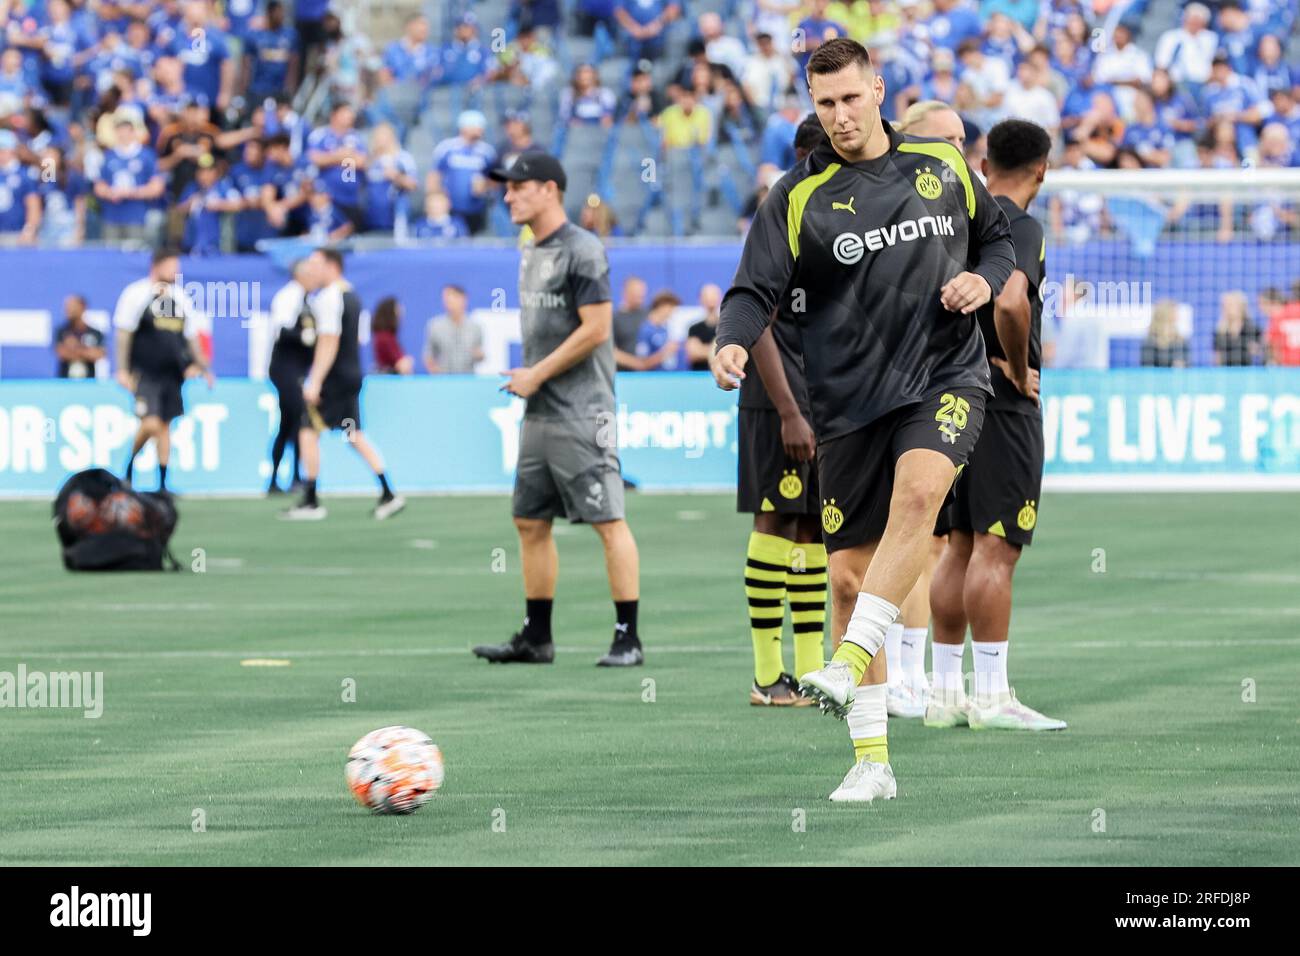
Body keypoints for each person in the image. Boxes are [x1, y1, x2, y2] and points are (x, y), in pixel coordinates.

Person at [711, 38, 1015, 802]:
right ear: (811, 109)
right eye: (825, 104)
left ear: (878, 89)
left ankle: (845, 664)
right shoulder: (795, 199)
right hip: (846, 402)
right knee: (848, 575)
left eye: (851, 98)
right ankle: (872, 761)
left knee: (921, 499)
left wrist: (983, 279)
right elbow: (752, 291)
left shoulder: (942, 167)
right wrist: (729, 343)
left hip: (945, 378)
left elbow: (1000, 237)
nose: (841, 116)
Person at [473, 151, 644, 667]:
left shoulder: (583, 249)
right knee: (529, 520)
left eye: (517, 187)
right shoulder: (530, 248)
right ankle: (537, 636)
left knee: (608, 519)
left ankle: (627, 637)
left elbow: (596, 330)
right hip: (541, 411)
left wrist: (535, 375)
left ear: (549, 189)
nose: (508, 196)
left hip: (581, 409)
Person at [928, 119, 1066, 733]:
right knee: (995, 546)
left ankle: (942, 693)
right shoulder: (1022, 224)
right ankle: (991, 698)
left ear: (983, 165)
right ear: (1043, 167)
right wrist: (1014, 362)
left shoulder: (961, 223)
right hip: (1003, 406)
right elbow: (1011, 299)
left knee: (956, 544)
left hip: (951, 399)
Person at [736, 113, 827, 707]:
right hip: (778, 402)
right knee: (775, 521)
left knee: (815, 525)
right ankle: (768, 676)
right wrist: (791, 411)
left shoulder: (834, 211)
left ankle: (814, 670)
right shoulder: (783, 208)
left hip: (825, 401)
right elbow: (759, 317)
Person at [281, 248, 405, 521]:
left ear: (331, 266)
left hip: (333, 378)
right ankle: (388, 491)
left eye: (316, 264)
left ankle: (311, 499)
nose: (311, 270)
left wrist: (315, 380)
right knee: (352, 434)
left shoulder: (328, 297)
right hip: (351, 373)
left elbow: (329, 340)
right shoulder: (352, 296)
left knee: (307, 430)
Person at [113, 248, 214, 492]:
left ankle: (162, 483)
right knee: (151, 424)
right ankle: (128, 467)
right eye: (171, 266)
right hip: (146, 372)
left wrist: (203, 366)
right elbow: (124, 333)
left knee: (165, 425)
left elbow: (190, 336)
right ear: (156, 266)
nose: (176, 271)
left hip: (173, 374)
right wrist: (123, 370)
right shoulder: (137, 293)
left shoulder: (180, 298)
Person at [266, 260, 312, 495]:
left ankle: (284, 477)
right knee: (296, 418)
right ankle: (287, 476)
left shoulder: (309, 298)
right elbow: (282, 330)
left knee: (290, 422)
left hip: (299, 368)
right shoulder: (288, 296)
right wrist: (306, 336)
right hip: (285, 367)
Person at [422, 284, 483, 374]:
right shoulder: (435, 325)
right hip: (444, 380)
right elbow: (428, 355)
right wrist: (435, 372)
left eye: (452, 296)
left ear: (463, 299)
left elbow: (480, 353)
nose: (448, 301)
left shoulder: (475, 327)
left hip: (467, 379)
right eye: (446, 298)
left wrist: (479, 355)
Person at [54, 294, 105, 379]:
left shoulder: (95, 333)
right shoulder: (62, 331)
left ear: (83, 307)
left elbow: (98, 354)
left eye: (72, 306)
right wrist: (87, 352)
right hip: (65, 383)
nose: (67, 309)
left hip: (88, 384)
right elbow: (61, 353)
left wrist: (74, 347)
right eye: (67, 306)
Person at [1213, 291, 1262, 367]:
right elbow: (1217, 357)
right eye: (1225, 306)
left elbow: (1260, 353)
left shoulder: (1253, 329)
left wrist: (1256, 350)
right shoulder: (1220, 331)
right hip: (1226, 373)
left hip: (1248, 372)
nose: (1227, 308)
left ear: (1241, 307)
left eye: (1231, 305)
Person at [370, 297, 414, 374]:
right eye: (397, 309)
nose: (401, 312)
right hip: (389, 382)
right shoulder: (385, 338)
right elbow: (402, 365)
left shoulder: (385, 336)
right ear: (390, 313)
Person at [1140, 300, 1190, 367]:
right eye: (1174, 313)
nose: (1178, 316)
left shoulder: (1181, 341)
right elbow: (1147, 367)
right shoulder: (1150, 341)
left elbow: (1186, 366)